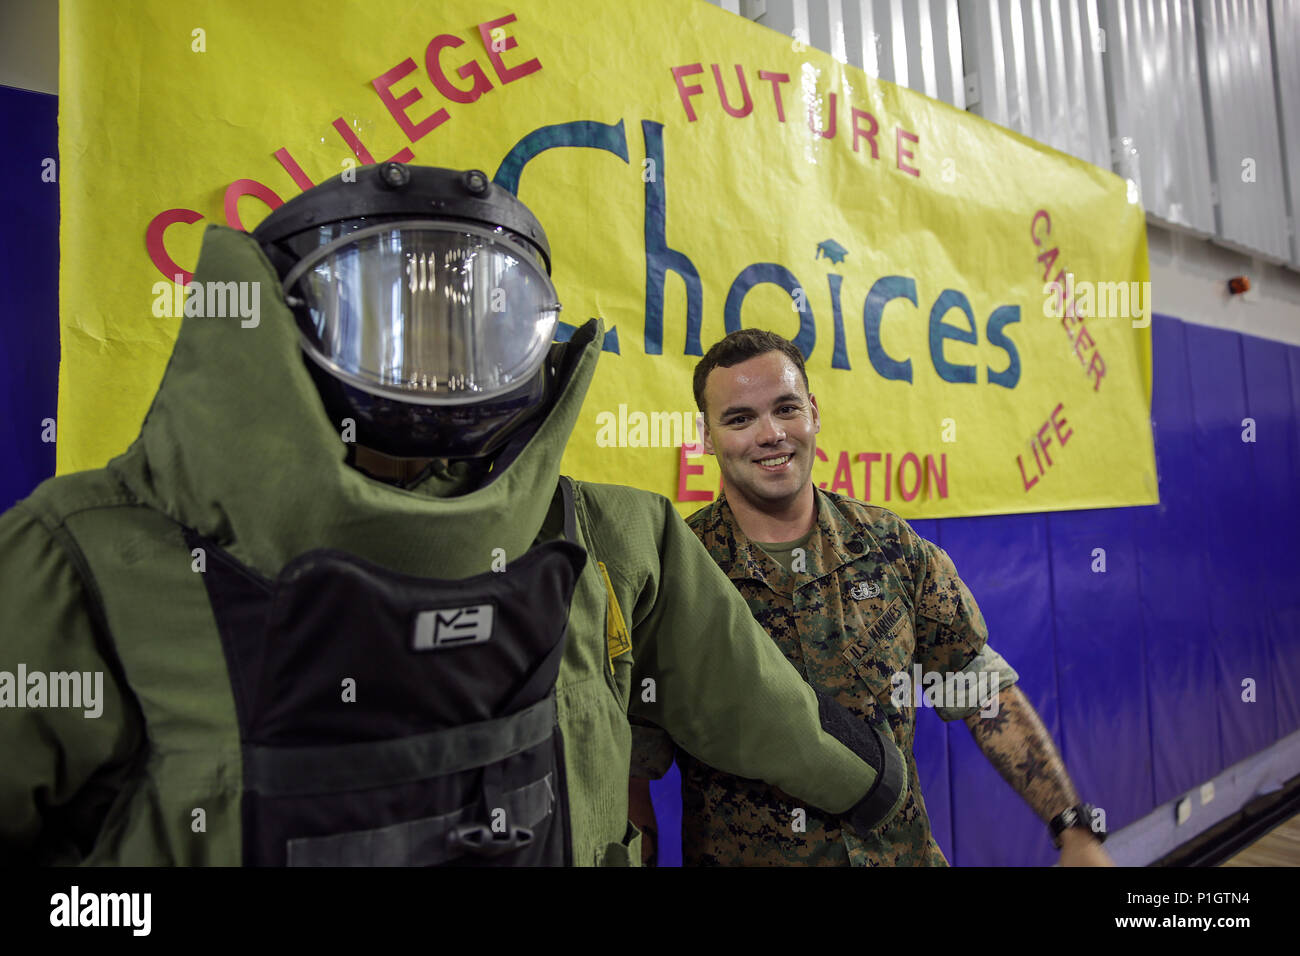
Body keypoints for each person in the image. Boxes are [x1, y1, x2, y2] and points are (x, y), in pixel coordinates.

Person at [0, 164, 909, 866]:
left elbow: (749, 698)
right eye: (382, 317)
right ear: (286, 322)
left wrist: (861, 774)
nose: (433, 362)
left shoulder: (614, 535)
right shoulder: (83, 561)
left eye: (480, 321)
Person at [629, 328, 1114, 866]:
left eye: (786, 408)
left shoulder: (892, 548)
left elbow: (979, 688)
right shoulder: (677, 574)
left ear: (813, 412)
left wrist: (1073, 829)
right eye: (740, 419)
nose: (770, 434)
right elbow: (631, 766)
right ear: (705, 435)